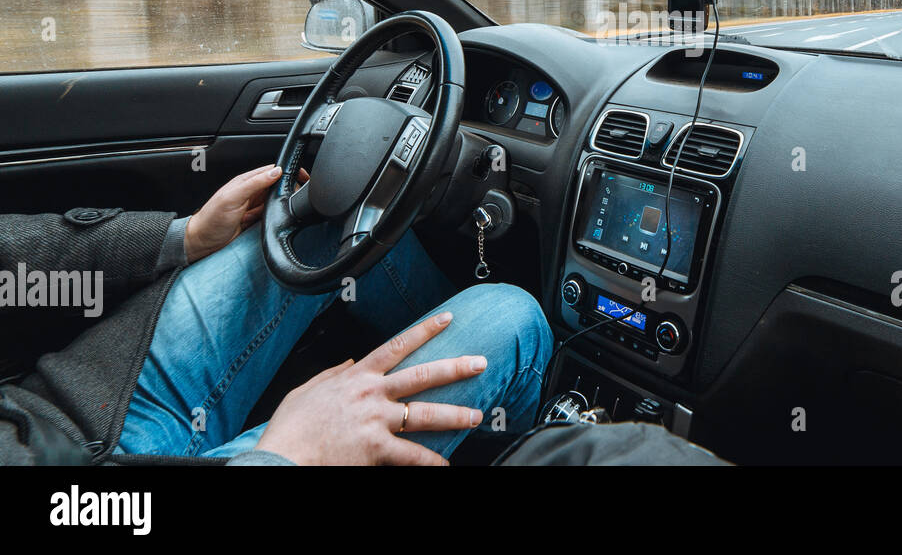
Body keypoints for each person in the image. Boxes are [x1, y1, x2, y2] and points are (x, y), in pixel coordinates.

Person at [0, 165, 553, 465]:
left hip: (78, 400)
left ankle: (463, 406)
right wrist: (293, 453)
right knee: (510, 318)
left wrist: (184, 237)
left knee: (322, 222)